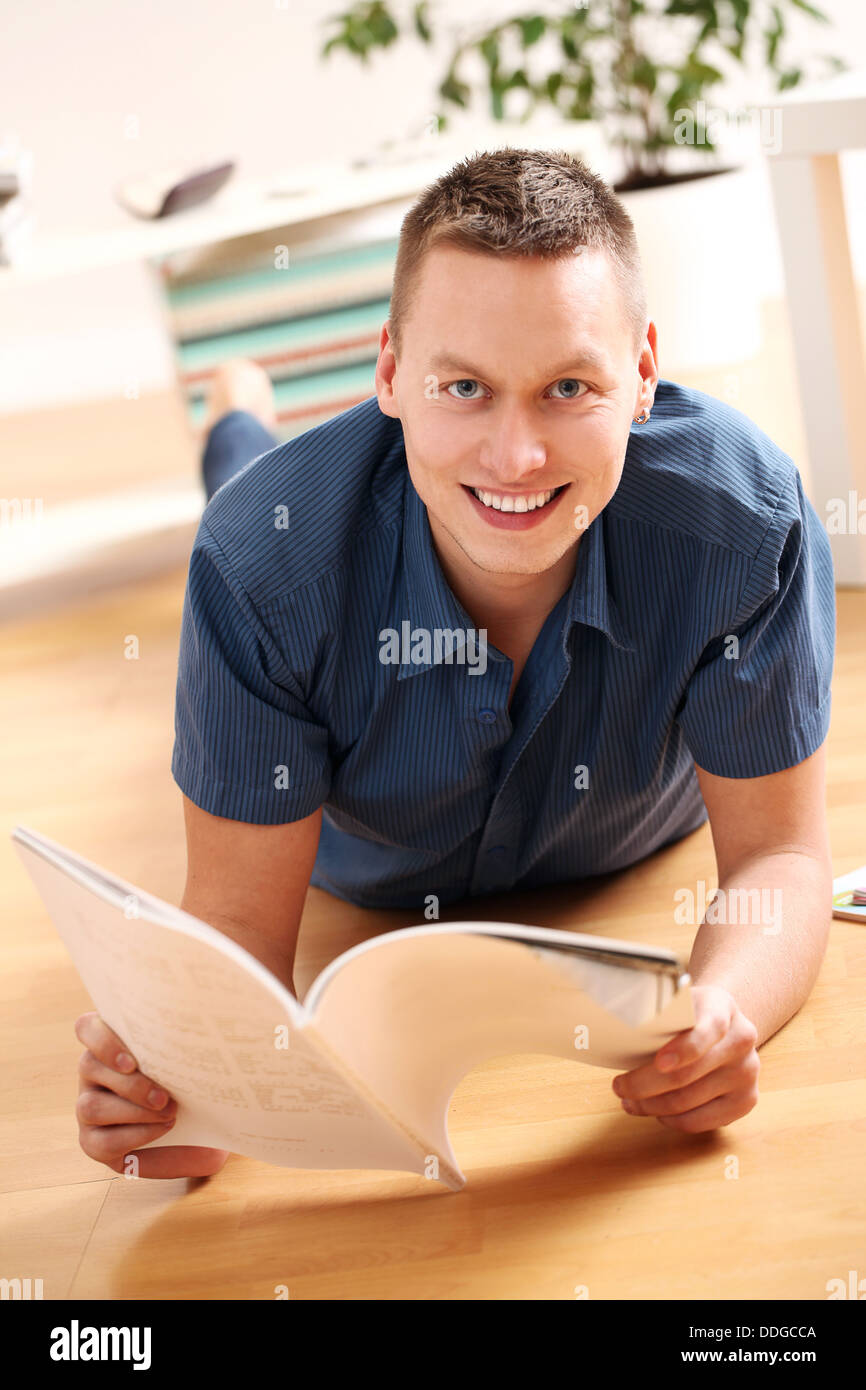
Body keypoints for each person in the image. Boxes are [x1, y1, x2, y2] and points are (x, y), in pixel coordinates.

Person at [74, 147, 835, 1179]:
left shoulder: (747, 524)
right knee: (248, 488)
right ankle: (238, 412)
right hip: (368, 848)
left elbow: (778, 860)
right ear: (388, 371)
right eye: (463, 386)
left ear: (645, 370)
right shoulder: (261, 566)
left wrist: (722, 1014)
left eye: (567, 385)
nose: (515, 455)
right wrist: (180, 1098)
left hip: (627, 831)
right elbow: (242, 931)